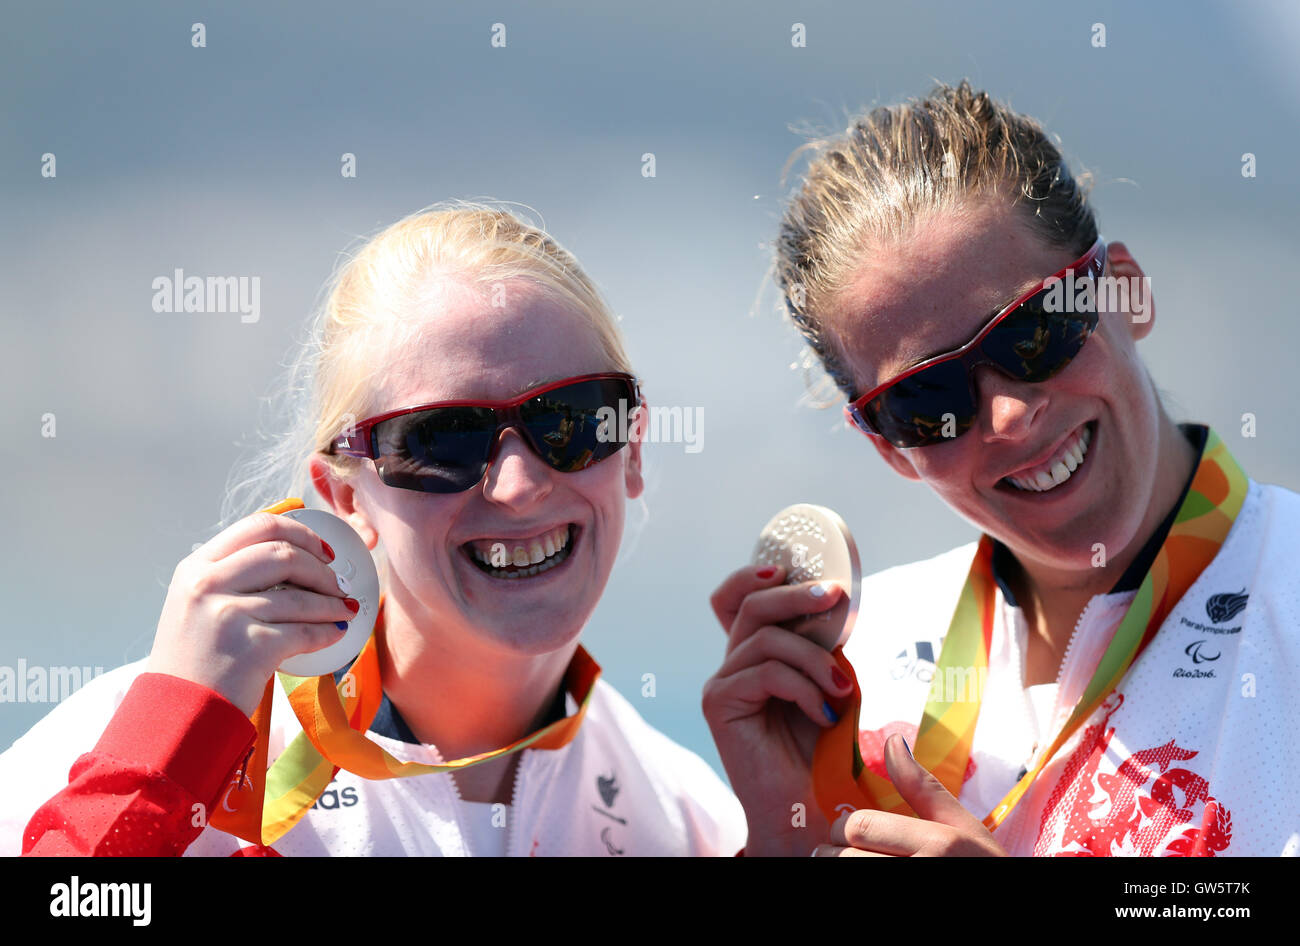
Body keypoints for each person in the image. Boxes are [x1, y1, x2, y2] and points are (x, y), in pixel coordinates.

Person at [2, 203, 746, 857]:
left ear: (633, 448)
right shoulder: (134, 746)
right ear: (343, 496)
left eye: (573, 420)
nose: (519, 486)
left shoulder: (687, 819)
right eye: (442, 439)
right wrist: (164, 758)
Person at [703, 81, 1300, 857]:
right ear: (889, 446)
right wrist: (784, 834)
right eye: (928, 400)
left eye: (1035, 333)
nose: (1010, 416)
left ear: (1126, 292)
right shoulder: (845, 674)